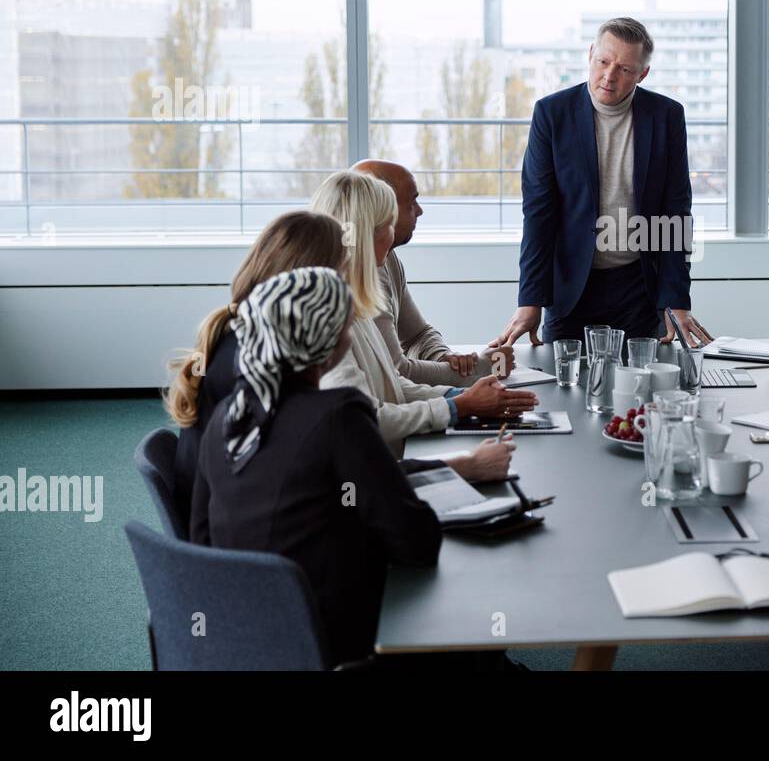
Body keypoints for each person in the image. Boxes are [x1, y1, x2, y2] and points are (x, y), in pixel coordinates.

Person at [190, 267, 449, 666]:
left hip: (240, 639)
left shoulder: (227, 415)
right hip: (335, 642)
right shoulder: (340, 416)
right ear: (330, 343)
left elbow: (201, 542)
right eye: (347, 327)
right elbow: (418, 541)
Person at [490, 16, 711, 348]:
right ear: (591, 54)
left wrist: (676, 298)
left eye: (624, 69)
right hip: (572, 289)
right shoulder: (552, 114)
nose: (609, 76)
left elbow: (675, 213)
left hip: (639, 288)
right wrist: (530, 301)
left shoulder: (666, 116)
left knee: (638, 394)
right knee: (563, 390)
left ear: (643, 73)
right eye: (603, 62)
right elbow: (539, 214)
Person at [311, 171, 538, 464]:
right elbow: (363, 418)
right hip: (359, 487)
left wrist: (459, 396)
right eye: (388, 223)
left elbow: (392, 383)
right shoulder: (326, 313)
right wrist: (460, 404)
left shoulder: (354, 296)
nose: (393, 232)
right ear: (368, 232)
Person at [166, 210, 348, 522]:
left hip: (219, 519)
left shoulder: (236, 332)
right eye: (340, 275)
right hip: (236, 533)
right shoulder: (265, 361)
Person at [351, 158, 514, 387]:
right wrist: (485, 366)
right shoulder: (362, 270)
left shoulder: (387, 258)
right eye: (412, 202)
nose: (420, 211)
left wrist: (446, 358)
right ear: (381, 207)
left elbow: (418, 335)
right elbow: (396, 372)